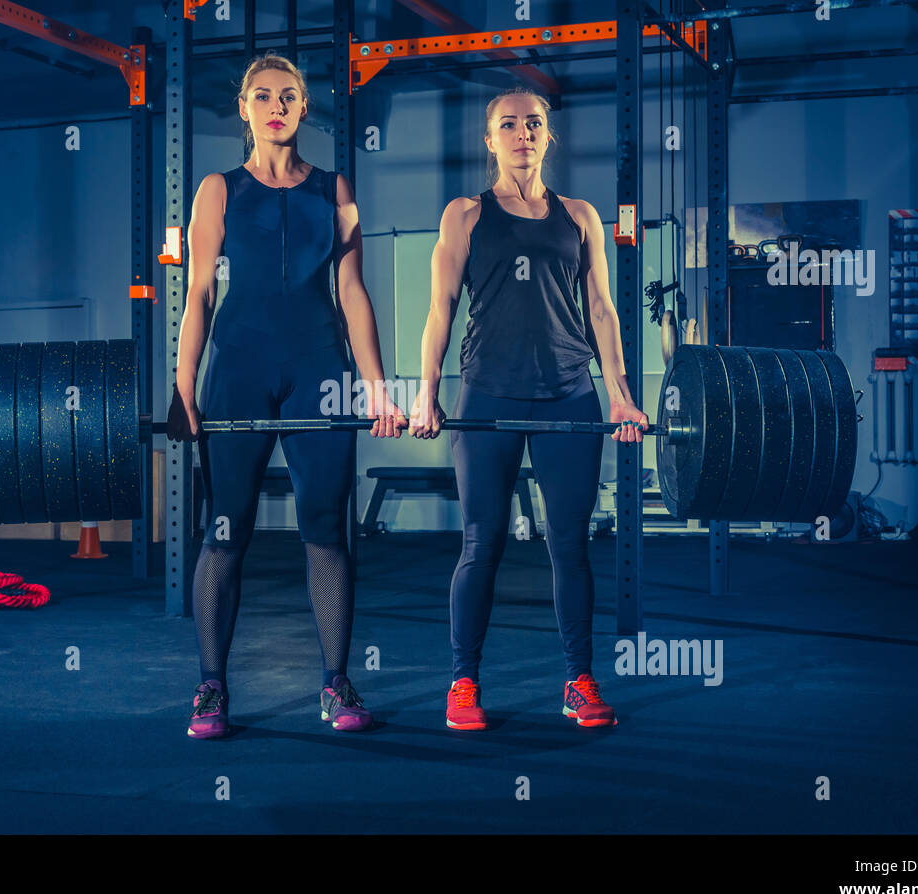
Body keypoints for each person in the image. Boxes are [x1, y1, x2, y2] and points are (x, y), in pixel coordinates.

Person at [167, 54, 406, 739]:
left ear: (306, 109)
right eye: (263, 96)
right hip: (238, 370)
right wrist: (184, 390)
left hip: (319, 371)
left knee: (326, 532)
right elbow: (200, 295)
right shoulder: (218, 189)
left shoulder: (334, 189)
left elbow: (353, 293)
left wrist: (377, 388)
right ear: (244, 108)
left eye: (290, 96)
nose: (277, 105)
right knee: (225, 530)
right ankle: (210, 686)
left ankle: (336, 683)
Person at [409, 87, 649, 731]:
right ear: (490, 140)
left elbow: (602, 310)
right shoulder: (463, 215)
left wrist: (621, 394)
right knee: (480, 543)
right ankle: (464, 682)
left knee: (569, 545)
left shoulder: (581, 216)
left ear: (549, 137)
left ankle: (578, 680)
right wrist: (425, 391)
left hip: (570, 393)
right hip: (487, 393)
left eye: (534, 124)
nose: (522, 133)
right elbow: (440, 310)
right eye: (508, 125)